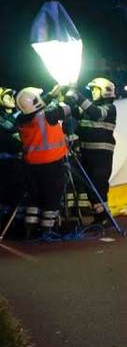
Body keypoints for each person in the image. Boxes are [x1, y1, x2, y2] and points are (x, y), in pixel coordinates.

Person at [15, 87, 70, 238]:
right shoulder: (48, 115)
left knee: (35, 198)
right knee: (51, 198)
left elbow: (33, 106)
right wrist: (67, 94)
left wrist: (51, 95)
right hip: (51, 163)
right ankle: (48, 230)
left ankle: (30, 228)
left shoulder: (20, 118)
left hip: (31, 165)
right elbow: (67, 109)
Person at [72, 78, 118, 224]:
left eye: (95, 89)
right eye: (91, 90)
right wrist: (64, 97)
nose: (92, 92)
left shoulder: (109, 108)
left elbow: (96, 113)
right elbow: (75, 111)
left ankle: (105, 218)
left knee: (99, 185)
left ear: (105, 91)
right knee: (90, 186)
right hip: (87, 154)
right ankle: (100, 216)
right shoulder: (88, 109)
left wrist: (77, 95)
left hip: (101, 156)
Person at [0, 89, 23, 222]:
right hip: (4, 162)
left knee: (17, 193)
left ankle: (15, 223)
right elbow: (9, 126)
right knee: (4, 193)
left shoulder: (16, 116)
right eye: (8, 97)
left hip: (17, 161)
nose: (12, 99)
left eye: (12, 96)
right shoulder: (4, 118)